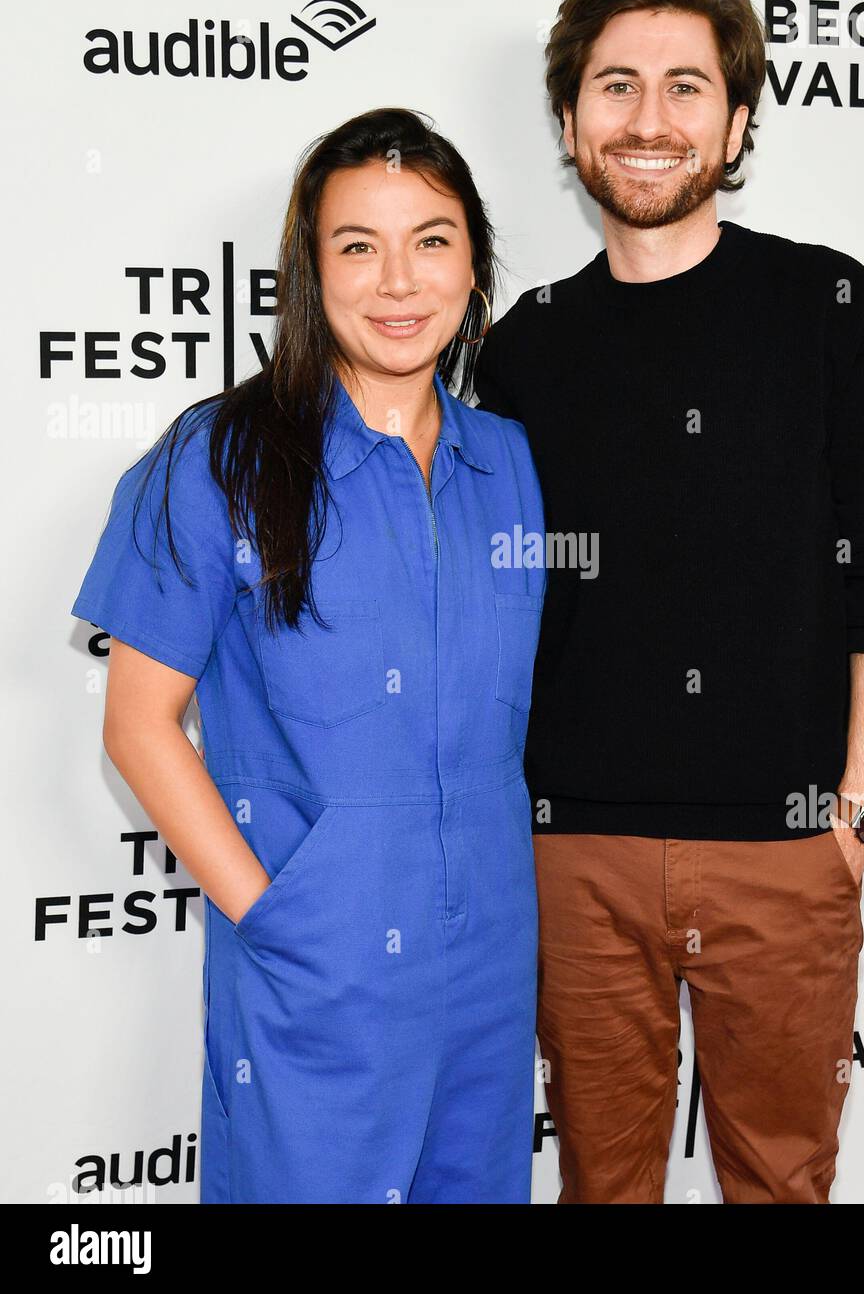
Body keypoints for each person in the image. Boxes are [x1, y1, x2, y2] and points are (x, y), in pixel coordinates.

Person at [473, 0, 864, 1203]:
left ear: (735, 124)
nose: (647, 118)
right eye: (614, 85)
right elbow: (504, 608)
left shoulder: (829, 306)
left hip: (787, 848)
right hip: (572, 853)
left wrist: (858, 817)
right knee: (600, 1189)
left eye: (686, 87)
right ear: (571, 122)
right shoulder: (521, 349)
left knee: (778, 1183)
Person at [70, 108, 545, 1204]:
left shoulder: (511, 465)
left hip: (485, 976)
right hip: (311, 968)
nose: (398, 281)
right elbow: (138, 724)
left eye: (431, 240)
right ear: (308, 271)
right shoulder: (221, 456)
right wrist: (272, 913)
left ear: (473, 266)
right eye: (356, 245)